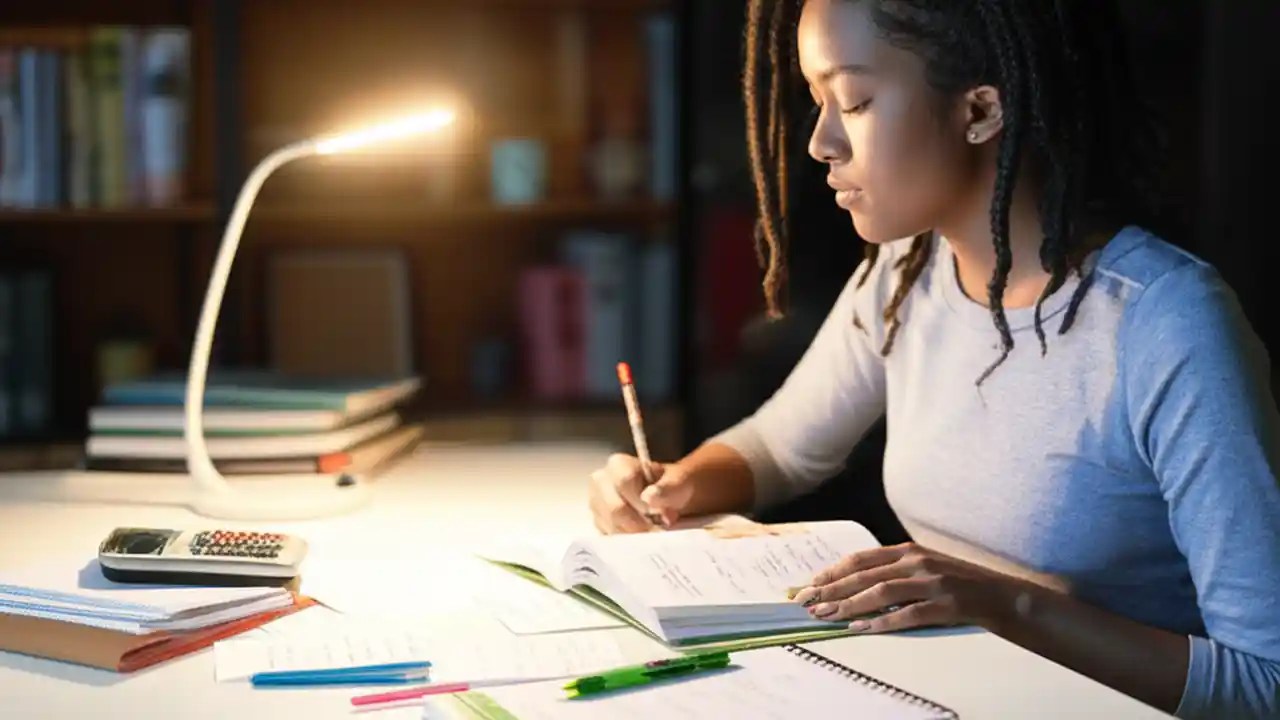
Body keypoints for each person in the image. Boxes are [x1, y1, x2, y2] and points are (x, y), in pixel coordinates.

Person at [587, 1, 1280, 717]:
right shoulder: (906, 272)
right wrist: (674, 485)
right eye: (817, 101)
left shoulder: (1167, 323)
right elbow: (781, 448)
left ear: (980, 110)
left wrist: (1005, 605)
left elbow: (1268, 681)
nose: (820, 142)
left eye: (852, 101)